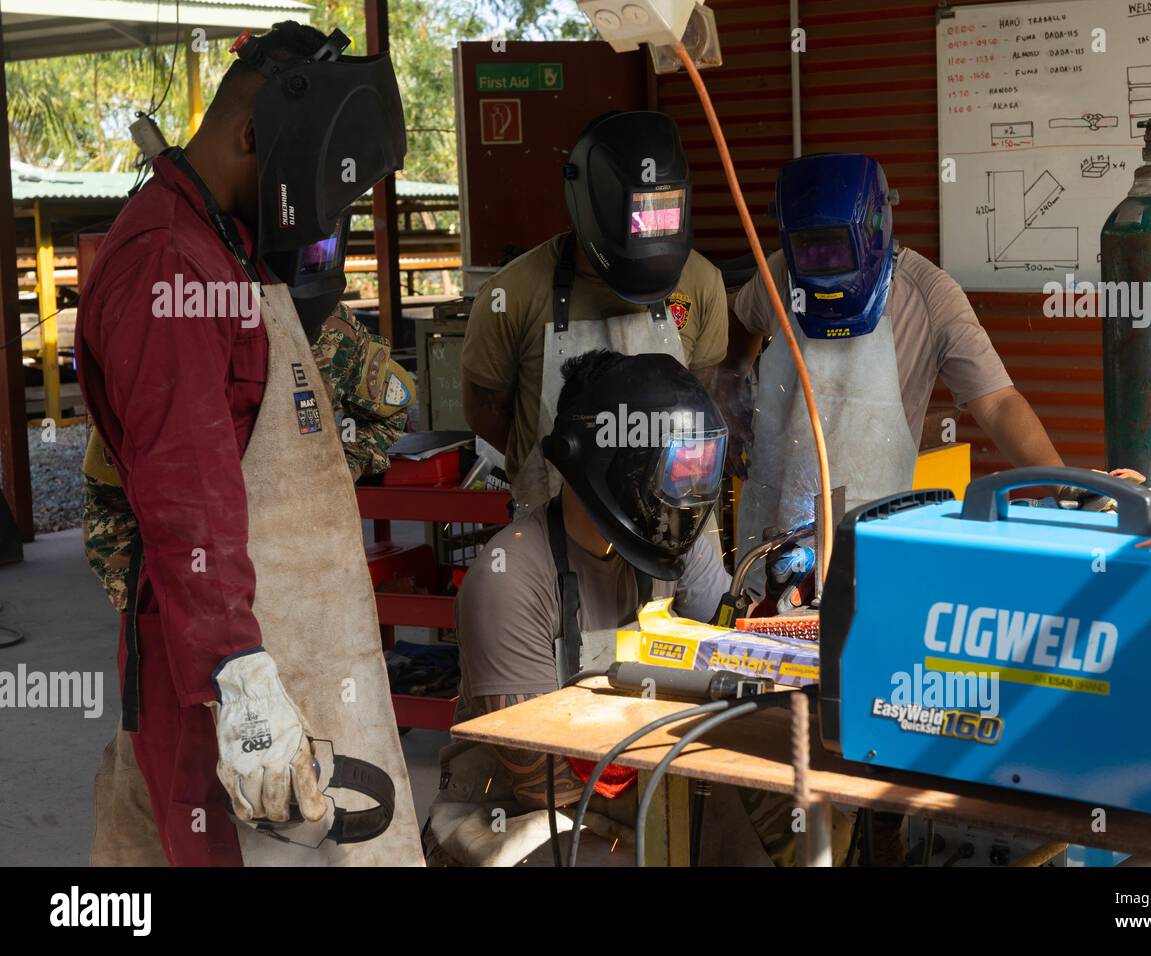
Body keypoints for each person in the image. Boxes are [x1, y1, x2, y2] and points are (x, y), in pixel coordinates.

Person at [73, 20, 422, 866]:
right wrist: (240, 682)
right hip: (220, 658)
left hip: (281, 631)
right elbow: (186, 498)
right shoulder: (171, 265)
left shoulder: (226, 247)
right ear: (254, 135)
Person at [83, 297, 414, 866]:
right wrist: (157, 609)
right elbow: (109, 508)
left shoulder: (316, 322)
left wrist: (314, 490)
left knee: (316, 806)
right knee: (186, 814)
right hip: (189, 623)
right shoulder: (168, 327)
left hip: (304, 605)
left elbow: (391, 404)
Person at [427, 349, 765, 866]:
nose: (689, 493)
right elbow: (538, 772)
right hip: (520, 812)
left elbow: (730, 645)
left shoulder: (668, 540)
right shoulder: (510, 577)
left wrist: (784, 631)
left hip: (644, 774)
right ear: (614, 461)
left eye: (698, 472)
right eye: (676, 472)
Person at [714, 153, 1066, 582]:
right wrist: (731, 375)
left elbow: (998, 403)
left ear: (874, 228)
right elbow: (744, 317)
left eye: (835, 248)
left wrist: (1065, 486)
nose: (821, 264)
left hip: (870, 539)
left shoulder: (931, 294)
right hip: (769, 530)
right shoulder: (779, 274)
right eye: (807, 249)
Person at [459, 111, 728, 513]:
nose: (651, 224)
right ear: (593, 201)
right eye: (640, 213)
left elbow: (701, 395)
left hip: (673, 518)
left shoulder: (703, 282)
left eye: (664, 210)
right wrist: (559, 473)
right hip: (555, 522)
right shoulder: (510, 294)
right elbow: (485, 413)